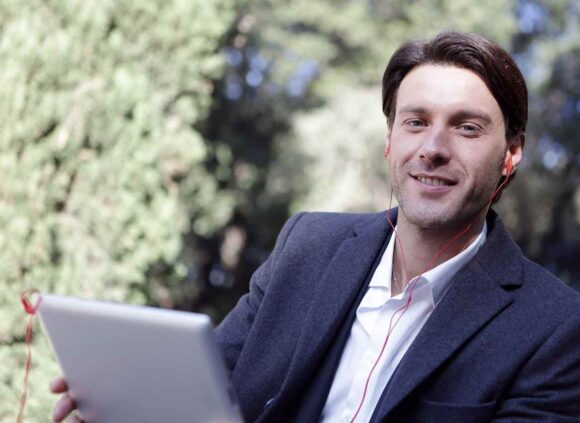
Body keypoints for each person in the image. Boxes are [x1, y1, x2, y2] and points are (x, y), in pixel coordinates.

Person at [51, 31, 580, 422]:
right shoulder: (305, 246)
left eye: (466, 128)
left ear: (511, 154)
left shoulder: (555, 329)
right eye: (415, 122)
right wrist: (133, 405)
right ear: (390, 141)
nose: (433, 148)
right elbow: (211, 395)